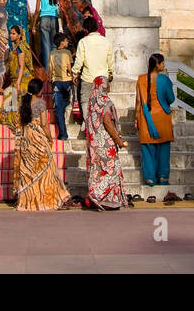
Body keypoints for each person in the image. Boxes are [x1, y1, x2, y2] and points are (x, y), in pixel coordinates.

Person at [14, 78, 72, 211]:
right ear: (39, 90)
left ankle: (28, 202)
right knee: (48, 170)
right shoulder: (40, 103)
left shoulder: (23, 102)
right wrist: (50, 138)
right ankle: (48, 199)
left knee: (29, 171)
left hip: (27, 140)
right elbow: (45, 124)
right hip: (38, 139)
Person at [84, 77, 127, 209]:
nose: (109, 87)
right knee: (112, 170)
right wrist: (118, 140)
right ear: (103, 86)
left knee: (98, 171)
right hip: (106, 143)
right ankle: (96, 194)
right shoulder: (105, 102)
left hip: (94, 143)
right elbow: (107, 122)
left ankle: (106, 200)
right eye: (107, 84)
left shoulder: (92, 102)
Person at [136, 53, 176, 187]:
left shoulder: (141, 79)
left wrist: (136, 118)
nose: (164, 66)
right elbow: (171, 99)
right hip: (162, 117)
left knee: (148, 150)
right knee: (163, 149)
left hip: (146, 118)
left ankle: (150, 179)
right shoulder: (164, 80)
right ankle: (163, 178)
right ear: (157, 65)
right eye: (163, 63)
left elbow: (138, 102)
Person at [72, 14, 113, 112]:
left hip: (88, 78)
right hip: (102, 78)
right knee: (101, 104)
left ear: (86, 29)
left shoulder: (83, 42)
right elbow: (110, 60)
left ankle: (88, 124)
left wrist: (74, 73)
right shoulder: (106, 41)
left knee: (86, 103)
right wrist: (111, 72)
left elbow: (79, 60)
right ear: (97, 27)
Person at [48, 32, 75, 140]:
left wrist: (49, 80)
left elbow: (50, 70)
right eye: (66, 40)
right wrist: (73, 76)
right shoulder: (67, 53)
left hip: (57, 83)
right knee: (64, 103)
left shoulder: (52, 53)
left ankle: (63, 133)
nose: (67, 42)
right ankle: (63, 130)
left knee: (58, 109)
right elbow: (69, 67)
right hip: (67, 82)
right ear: (62, 42)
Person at [36, 0, 59, 69]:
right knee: (54, 44)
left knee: (46, 46)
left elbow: (37, 10)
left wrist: (34, 24)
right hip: (54, 18)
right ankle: (55, 68)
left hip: (44, 19)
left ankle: (47, 70)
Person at [8, 25, 35, 93]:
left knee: (16, 101)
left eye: (13, 34)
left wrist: (18, 82)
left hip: (22, 81)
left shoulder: (20, 48)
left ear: (19, 35)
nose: (11, 35)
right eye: (10, 33)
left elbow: (22, 66)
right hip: (21, 80)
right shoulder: (23, 46)